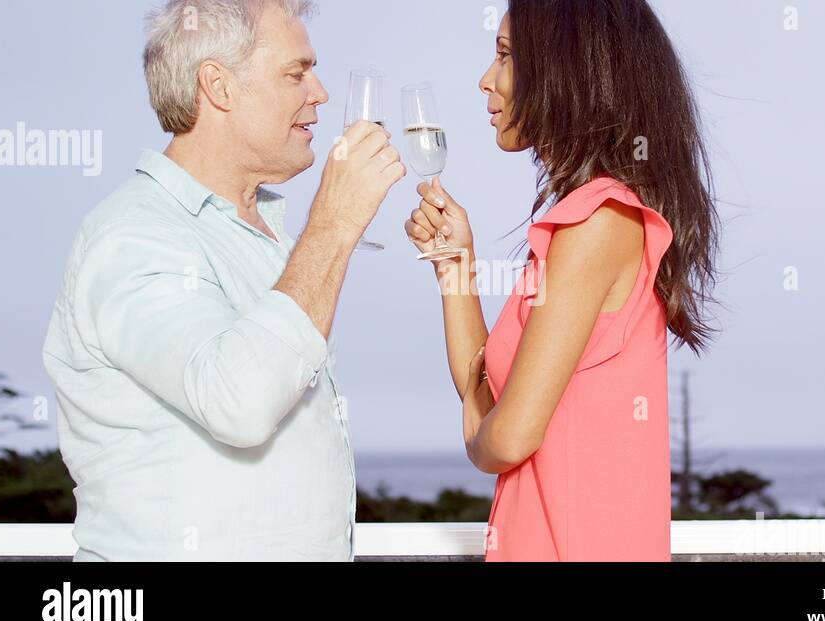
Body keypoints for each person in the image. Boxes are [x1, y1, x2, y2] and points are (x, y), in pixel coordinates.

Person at [41, 0, 405, 561]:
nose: (321, 93)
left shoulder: (265, 235)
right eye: (296, 72)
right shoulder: (133, 233)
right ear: (219, 86)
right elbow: (239, 402)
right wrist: (333, 226)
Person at [405, 0, 721, 561]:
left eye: (505, 56)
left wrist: (479, 438)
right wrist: (455, 266)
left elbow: (509, 434)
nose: (486, 80)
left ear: (564, 70)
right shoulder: (582, 220)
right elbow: (485, 387)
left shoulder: (600, 221)